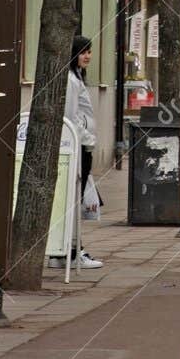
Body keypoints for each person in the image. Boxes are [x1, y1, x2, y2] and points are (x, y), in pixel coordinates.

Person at [64, 34, 103, 269]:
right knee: (73, 200)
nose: (87, 56)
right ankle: (72, 251)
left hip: (83, 143)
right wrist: (86, 138)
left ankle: (71, 249)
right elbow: (70, 116)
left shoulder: (77, 77)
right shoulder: (70, 80)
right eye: (83, 52)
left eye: (89, 51)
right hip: (78, 145)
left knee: (76, 200)